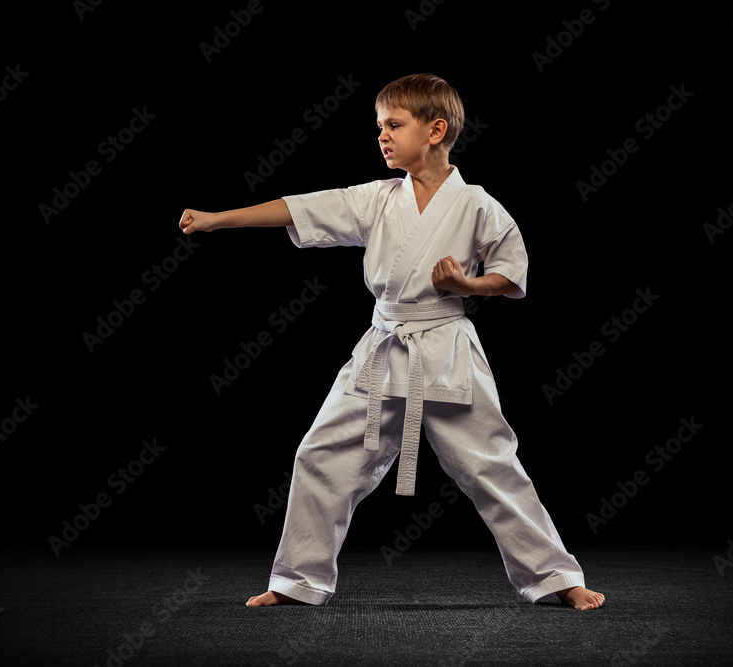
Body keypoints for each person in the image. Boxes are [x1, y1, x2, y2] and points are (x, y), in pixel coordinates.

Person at [179, 73, 604, 611]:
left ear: (436, 129)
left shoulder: (477, 204)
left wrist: (465, 286)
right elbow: (300, 208)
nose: (381, 135)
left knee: (490, 464)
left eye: (393, 125)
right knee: (320, 455)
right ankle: (296, 582)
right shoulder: (376, 199)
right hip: (383, 346)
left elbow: (512, 275)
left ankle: (556, 578)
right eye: (379, 125)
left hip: (446, 346)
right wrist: (221, 219)